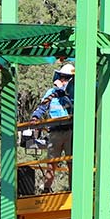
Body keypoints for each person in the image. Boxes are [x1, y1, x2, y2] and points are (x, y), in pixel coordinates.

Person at [31, 59, 77, 191]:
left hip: (70, 131)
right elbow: (43, 105)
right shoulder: (51, 93)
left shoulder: (74, 93)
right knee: (51, 163)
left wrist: (63, 90)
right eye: (63, 77)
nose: (64, 80)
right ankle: (46, 188)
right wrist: (36, 117)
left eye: (67, 78)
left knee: (72, 162)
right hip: (55, 132)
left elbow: (72, 102)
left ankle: (73, 189)